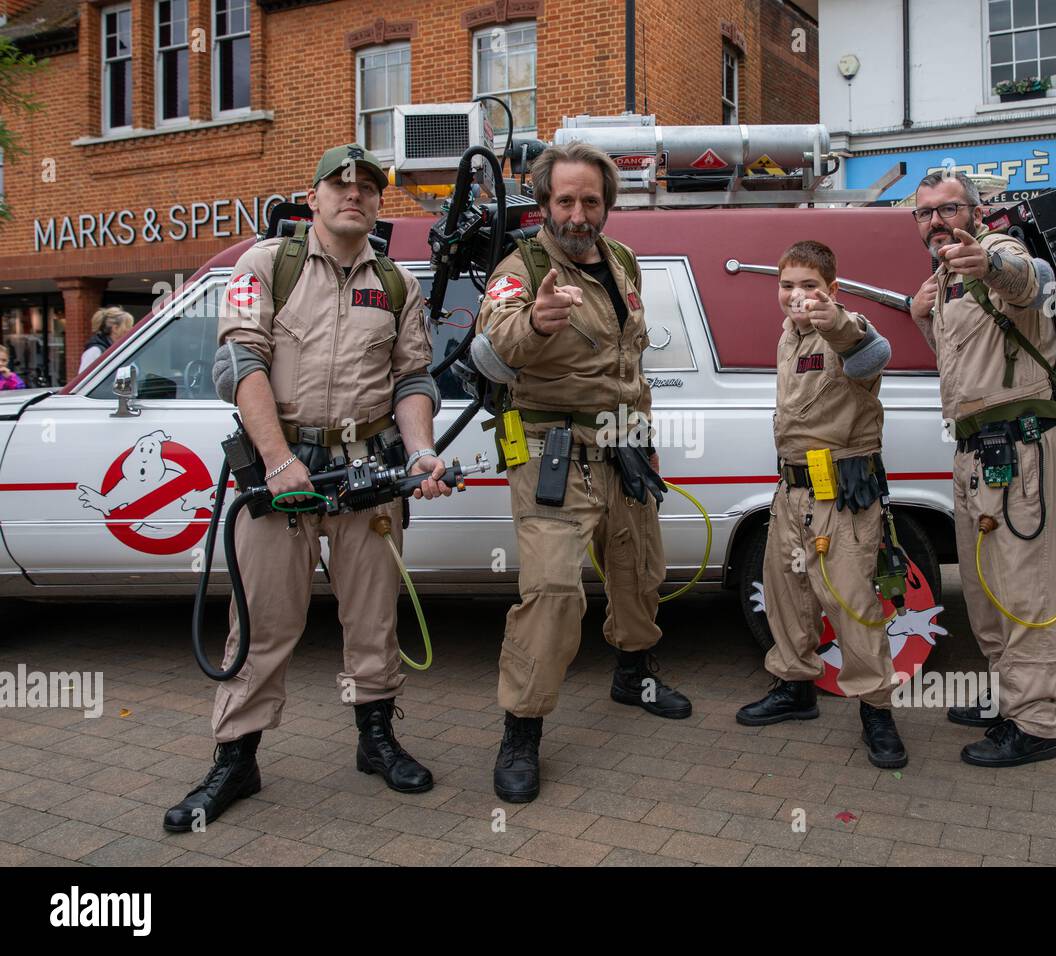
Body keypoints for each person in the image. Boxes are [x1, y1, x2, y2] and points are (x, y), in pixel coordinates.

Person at [163, 143, 453, 832]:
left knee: (374, 622)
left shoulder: (398, 284)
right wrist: (275, 460)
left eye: (368, 186)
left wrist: (419, 453)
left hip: (367, 480)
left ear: (380, 202)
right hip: (282, 481)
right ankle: (237, 757)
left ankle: (375, 740)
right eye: (339, 183)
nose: (354, 193)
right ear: (314, 196)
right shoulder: (266, 265)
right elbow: (239, 362)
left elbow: (413, 379)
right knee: (261, 626)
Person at [474, 141, 691, 804]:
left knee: (639, 569)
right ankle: (522, 731)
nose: (576, 213)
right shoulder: (520, 268)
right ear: (544, 204)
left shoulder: (621, 262)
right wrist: (536, 326)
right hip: (552, 455)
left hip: (624, 445)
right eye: (563, 200)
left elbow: (629, 363)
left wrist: (645, 437)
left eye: (589, 200)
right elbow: (494, 345)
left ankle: (633, 672)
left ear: (606, 206)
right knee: (553, 593)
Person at [908, 169, 1056, 767]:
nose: (935, 222)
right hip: (976, 450)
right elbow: (963, 367)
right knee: (983, 587)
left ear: (974, 211)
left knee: (1024, 588)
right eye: (923, 213)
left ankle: (1035, 725)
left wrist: (991, 265)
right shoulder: (944, 280)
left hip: (1022, 446)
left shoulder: (999, 251)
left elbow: (1035, 285)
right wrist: (920, 311)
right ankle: (1008, 694)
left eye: (947, 209)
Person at [733, 241, 905, 768]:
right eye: (787, 285)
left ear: (831, 288)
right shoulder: (790, 335)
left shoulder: (842, 324)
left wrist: (835, 322)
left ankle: (876, 710)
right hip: (792, 492)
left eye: (809, 286)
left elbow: (873, 354)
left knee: (852, 604)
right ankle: (795, 686)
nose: (797, 296)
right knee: (788, 595)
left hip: (841, 496)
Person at [78, 306, 134, 372]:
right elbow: (85, 380)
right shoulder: (95, 351)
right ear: (115, 328)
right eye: (128, 326)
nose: (132, 329)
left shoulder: (119, 349)